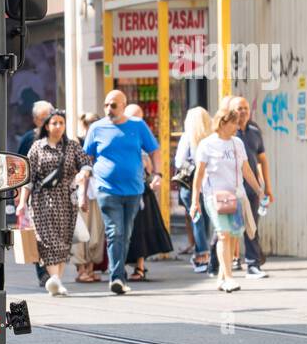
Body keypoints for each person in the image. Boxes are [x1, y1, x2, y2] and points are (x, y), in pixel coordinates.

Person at [81, 89, 162, 295]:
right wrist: (84, 181)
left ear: (124, 106)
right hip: (106, 189)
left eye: (113, 105)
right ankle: (116, 277)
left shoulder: (137, 126)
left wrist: (158, 173)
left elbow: (154, 149)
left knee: (125, 234)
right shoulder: (96, 128)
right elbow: (86, 158)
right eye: (106, 105)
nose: (109, 109)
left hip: (134, 190)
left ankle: (120, 275)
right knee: (114, 232)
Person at [191, 106, 265, 293]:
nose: (237, 126)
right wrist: (195, 201)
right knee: (223, 233)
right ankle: (230, 278)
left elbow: (246, 169)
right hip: (214, 197)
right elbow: (198, 175)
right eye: (234, 123)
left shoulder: (237, 143)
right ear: (223, 123)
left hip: (236, 196)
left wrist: (258, 189)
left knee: (232, 235)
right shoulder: (207, 145)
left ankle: (222, 276)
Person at [17, 110, 88, 296]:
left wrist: (83, 174)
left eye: (61, 123)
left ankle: (56, 281)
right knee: (46, 242)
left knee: (63, 242)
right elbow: (29, 179)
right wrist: (22, 203)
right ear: (47, 126)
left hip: (66, 201)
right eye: (54, 123)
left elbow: (86, 164)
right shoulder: (36, 148)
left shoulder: (72, 146)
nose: (58, 126)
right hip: (42, 202)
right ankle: (55, 279)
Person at [122, 104, 174, 280]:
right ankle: (120, 266)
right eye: (132, 117)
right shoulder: (120, 133)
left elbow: (152, 162)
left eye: (140, 117)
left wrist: (154, 173)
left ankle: (140, 267)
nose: (137, 121)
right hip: (120, 189)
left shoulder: (142, 135)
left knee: (140, 230)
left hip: (141, 190)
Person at [232, 95, 273, 278]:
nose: (243, 112)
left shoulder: (255, 132)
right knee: (227, 228)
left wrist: (267, 188)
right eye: (239, 108)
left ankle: (252, 264)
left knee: (252, 225)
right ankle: (215, 264)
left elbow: (263, 161)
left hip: (252, 187)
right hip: (231, 187)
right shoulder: (228, 133)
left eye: (246, 108)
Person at [175, 107, 214, 273]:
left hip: (190, 185)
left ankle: (202, 255)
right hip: (209, 185)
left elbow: (179, 162)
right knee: (206, 218)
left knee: (196, 219)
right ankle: (205, 253)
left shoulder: (187, 137)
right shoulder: (213, 138)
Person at [71, 112, 105, 282]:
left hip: (98, 191)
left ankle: (90, 269)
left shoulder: (101, 141)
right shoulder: (77, 142)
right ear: (83, 124)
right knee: (80, 232)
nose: (93, 125)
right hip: (80, 191)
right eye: (90, 122)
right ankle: (81, 269)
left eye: (96, 122)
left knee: (96, 232)